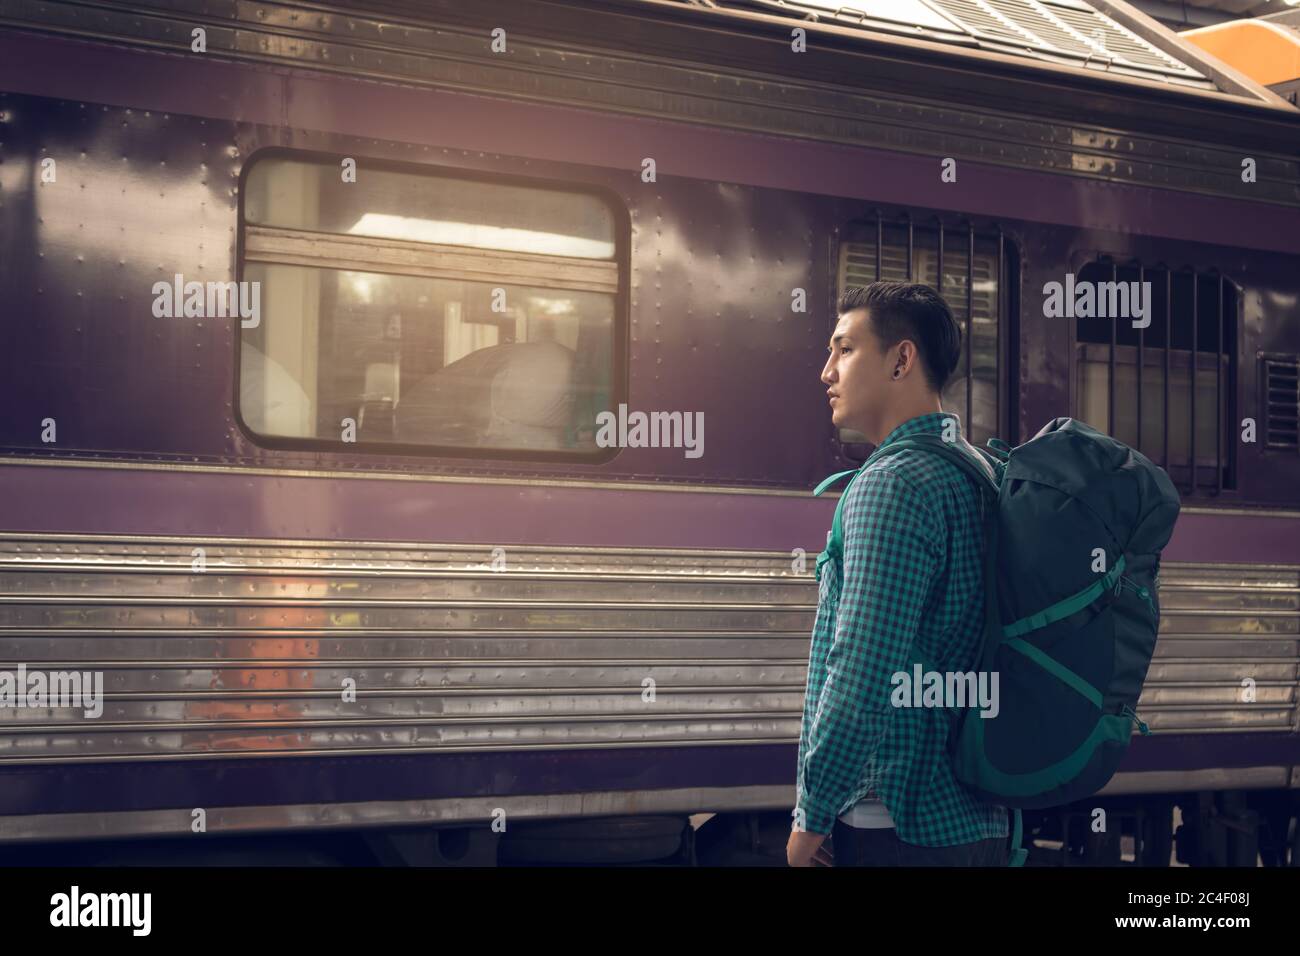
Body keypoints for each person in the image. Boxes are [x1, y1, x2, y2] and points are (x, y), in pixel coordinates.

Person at [787, 281, 1009, 867]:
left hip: (898, 822)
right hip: (976, 814)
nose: (826, 371)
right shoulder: (978, 471)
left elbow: (860, 668)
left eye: (844, 349)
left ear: (901, 359)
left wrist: (812, 814)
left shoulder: (892, 485)